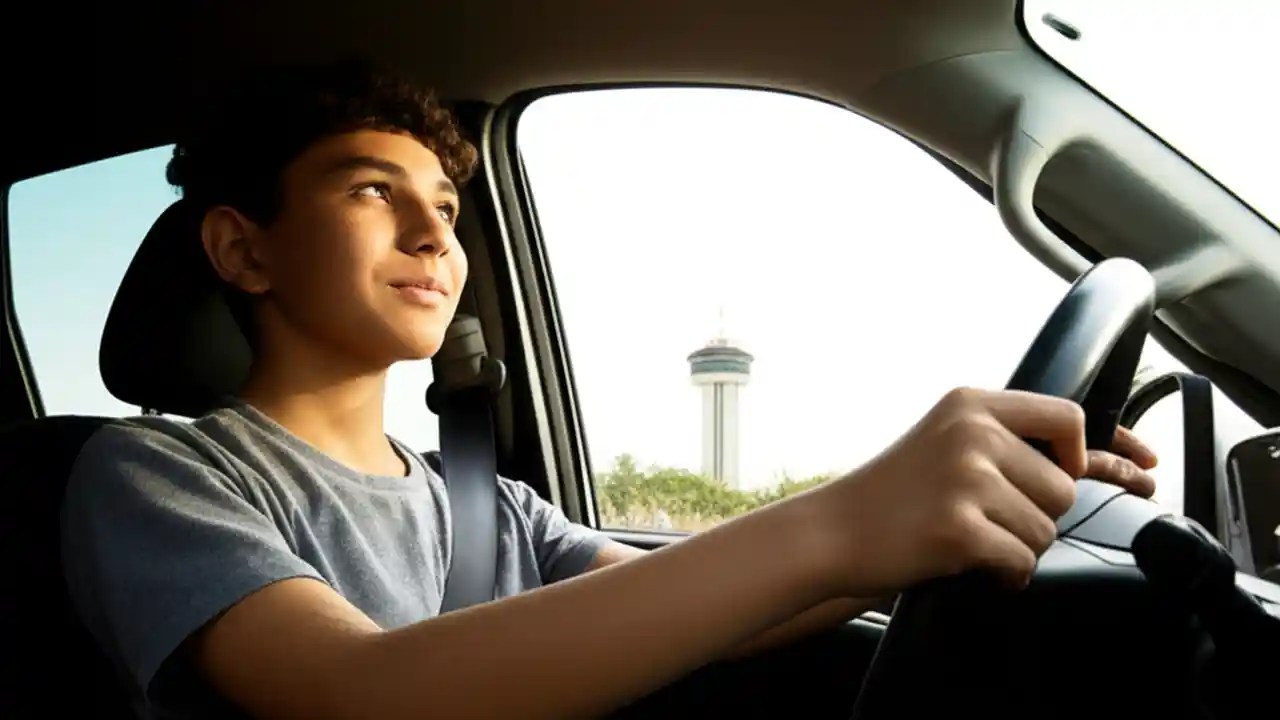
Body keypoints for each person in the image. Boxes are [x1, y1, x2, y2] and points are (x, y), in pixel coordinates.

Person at [61, 60, 1160, 720]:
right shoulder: (160, 475)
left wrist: (952, 509)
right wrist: (847, 521)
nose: (431, 234)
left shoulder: (490, 502)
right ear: (243, 252)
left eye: (446, 207)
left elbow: (712, 609)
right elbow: (355, 697)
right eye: (368, 190)